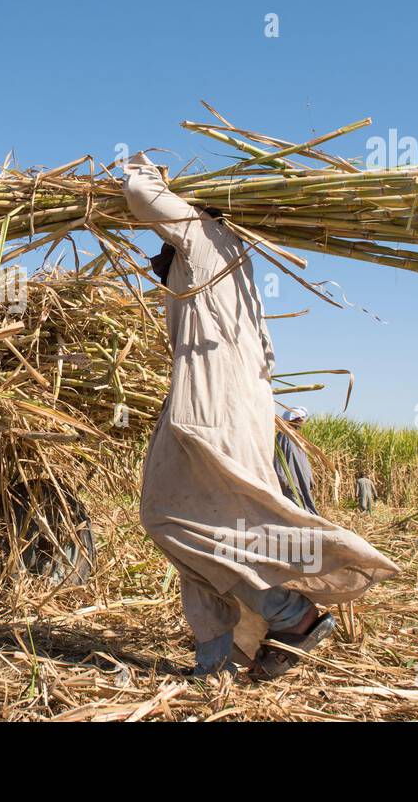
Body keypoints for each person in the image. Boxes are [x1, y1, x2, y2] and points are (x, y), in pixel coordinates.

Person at [121, 154, 397, 679]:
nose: (159, 264)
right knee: (214, 527)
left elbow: (143, 197)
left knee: (168, 518)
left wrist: (138, 167)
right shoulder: (241, 272)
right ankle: (218, 659)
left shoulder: (207, 236)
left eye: (163, 254)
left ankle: (290, 614)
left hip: (209, 408)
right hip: (236, 406)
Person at [274, 407, 319, 514]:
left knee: (306, 508)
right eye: (300, 419)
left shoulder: (297, 438)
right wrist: (285, 481)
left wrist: (310, 479)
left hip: (302, 482)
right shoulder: (284, 437)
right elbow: (278, 462)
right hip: (292, 484)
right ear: (293, 420)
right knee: (296, 510)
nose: (302, 422)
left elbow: (303, 461)